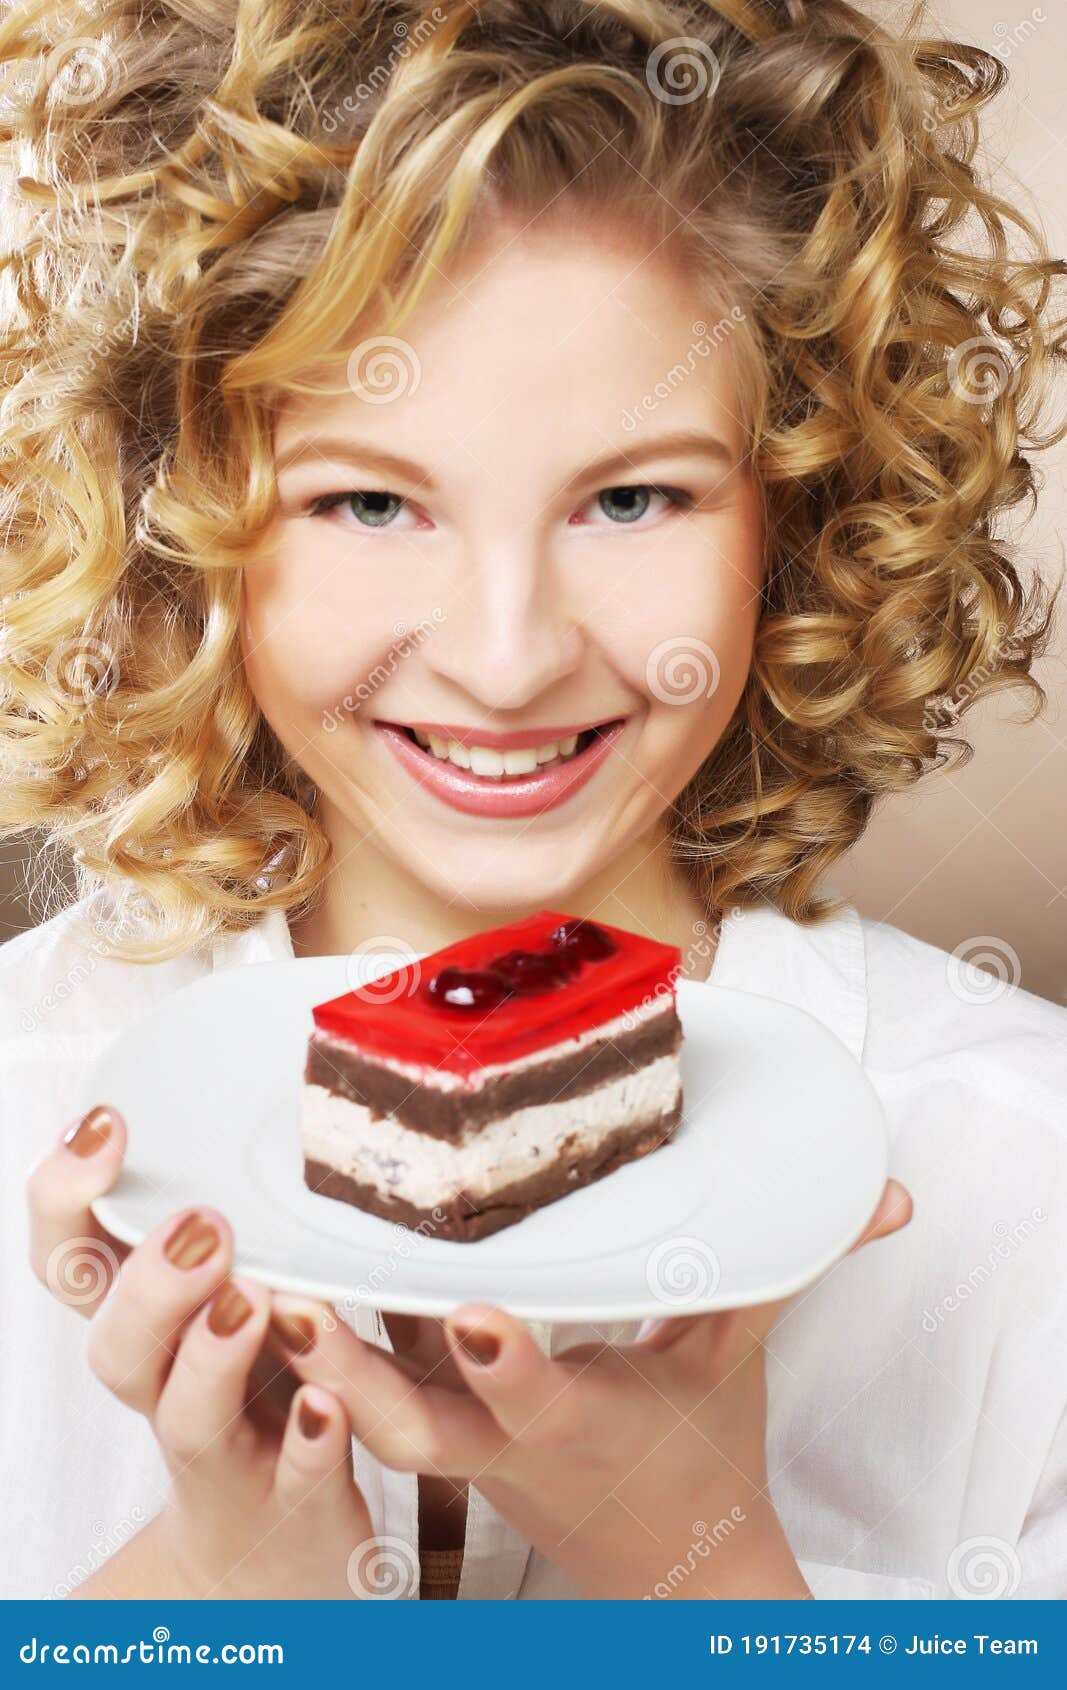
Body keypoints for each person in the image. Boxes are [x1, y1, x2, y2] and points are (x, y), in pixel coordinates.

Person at [1, 0, 1064, 1601]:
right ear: (185, 518)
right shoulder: (34, 1084)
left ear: (805, 505)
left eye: (632, 496)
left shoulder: (1021, 1169)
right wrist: (220, 1598)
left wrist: (703, 1574)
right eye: (370, 500)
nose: (508, 660)